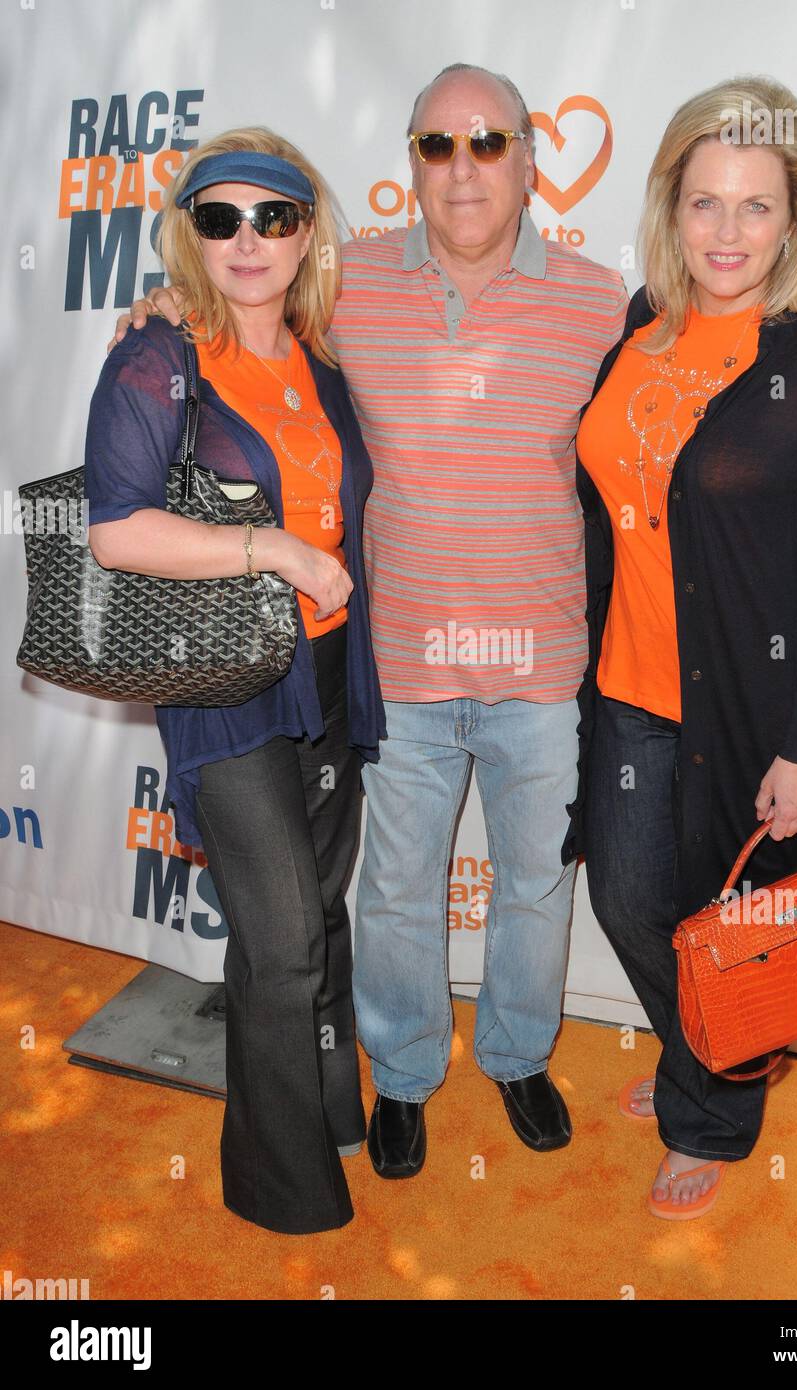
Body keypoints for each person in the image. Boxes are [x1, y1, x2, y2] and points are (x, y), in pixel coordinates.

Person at [114, 65, 628, 1179]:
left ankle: (517, 1055)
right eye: (437, 145)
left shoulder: (600, 302)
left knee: (537, 885)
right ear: (412, 162)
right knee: (395, 892)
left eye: (488, 142)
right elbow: (240, 316)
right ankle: (399, 1075)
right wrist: (165, 309)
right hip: (398, 666)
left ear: (529, 160)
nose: (463, 167)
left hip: (542, 663)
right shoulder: (346, 292)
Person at [561, 75, 797, 1219]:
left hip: (749, 712)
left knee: (737, 928)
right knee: (628, 903)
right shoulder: (640, 322)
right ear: (670, 205)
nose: (726, 232)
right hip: (625, 686)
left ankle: (709, 1107)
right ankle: (709, 1050)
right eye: (703, 201)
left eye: (755, 205)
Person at [87, 128, 385, 1234]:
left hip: (330, 666)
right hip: (223, 683)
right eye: (220, 218)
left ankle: (334, 1108)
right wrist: (277, 551)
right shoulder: (160, 358)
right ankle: (279, 1183)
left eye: (275, 217)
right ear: (191, 234)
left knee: (317, 915)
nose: (248, 240)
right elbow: (116, 530)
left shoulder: (324, 356)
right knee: (284, 935)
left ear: (308, 234)